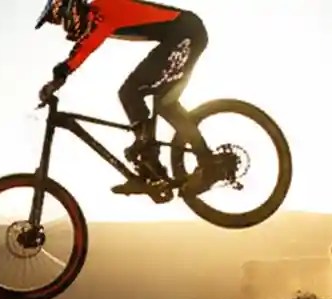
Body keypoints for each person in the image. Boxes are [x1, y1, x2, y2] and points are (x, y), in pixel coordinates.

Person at [36, 0, 216, 195]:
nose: (64, 29)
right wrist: (60, 76)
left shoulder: (102, 9)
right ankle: (150, 168)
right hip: (181, 34)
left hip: (187, 32)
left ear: (70, 9)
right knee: (156, 100)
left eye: (61, 21)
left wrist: (59, 77)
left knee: (138, 93)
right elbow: (87, 44)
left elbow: (86, 46)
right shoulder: (99, 17)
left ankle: (207, 165)